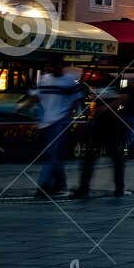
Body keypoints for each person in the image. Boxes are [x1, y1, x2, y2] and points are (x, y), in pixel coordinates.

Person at [73, 84, 131, 199]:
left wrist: (106, 108)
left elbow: (124, 98)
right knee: (93, 157)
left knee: (113, 156)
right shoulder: (103, 85)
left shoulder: (112, 83)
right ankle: (85, 187)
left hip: (111, 124)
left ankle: (118, 187)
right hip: (100, 124)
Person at [32, 66, 82, 198]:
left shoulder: (65, 81)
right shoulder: (45, 80)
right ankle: (60, 185)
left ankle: (43, 185)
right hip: (50, 122)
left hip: (57, 121)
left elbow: (35, 97)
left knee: (52, 154)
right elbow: (76, 101)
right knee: (55, 154)